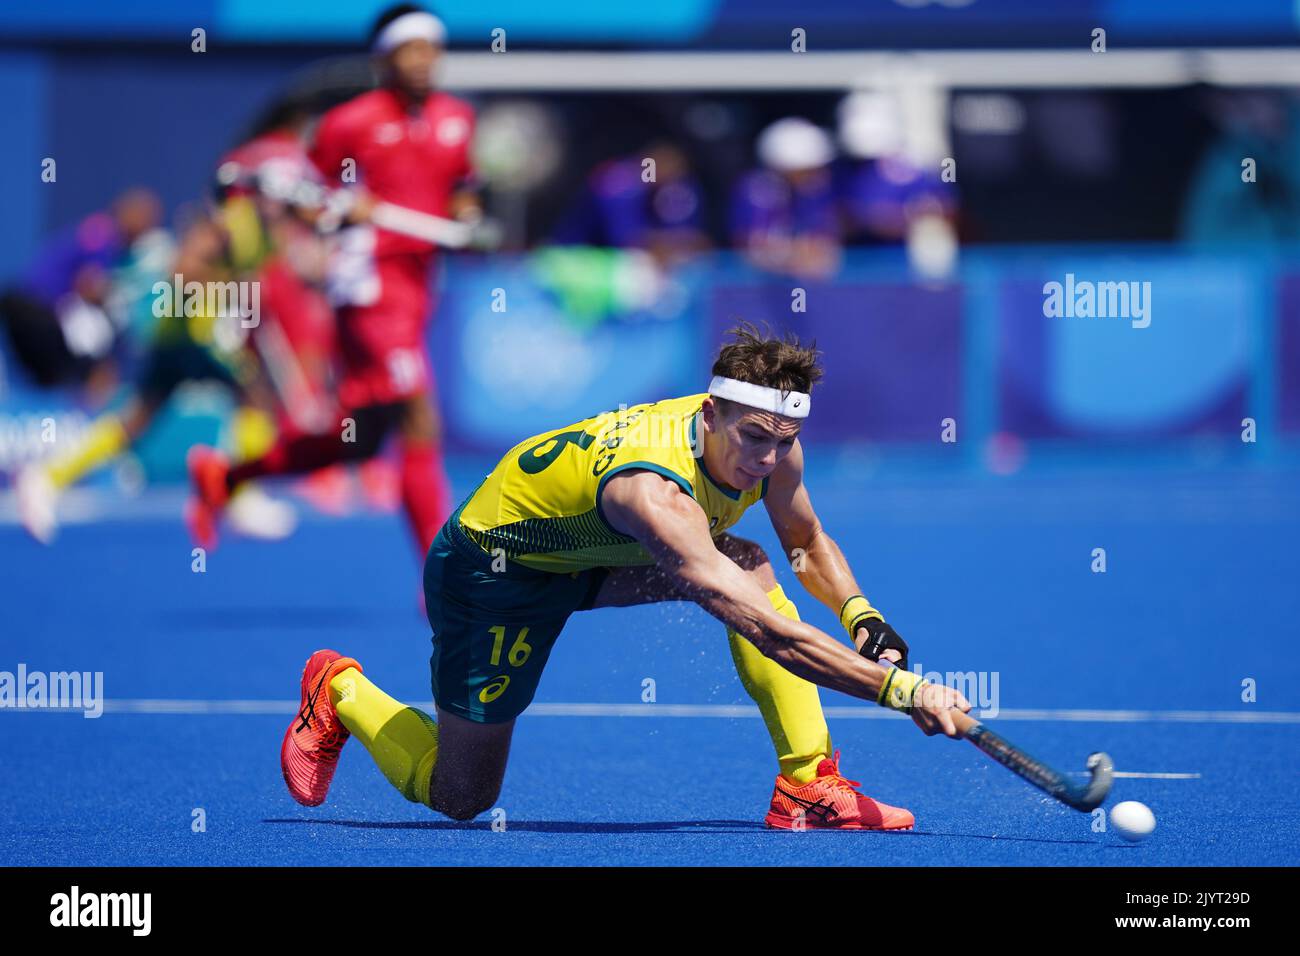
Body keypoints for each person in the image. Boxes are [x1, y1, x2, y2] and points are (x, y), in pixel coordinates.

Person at [281, 325, 971, 829]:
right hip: (492, 571)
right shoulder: (653, 494)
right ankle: (338, 689)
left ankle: (806, 785)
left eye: (783, 441)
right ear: (710, 415)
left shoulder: (770, 438)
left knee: (749, 561)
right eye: (754, 438)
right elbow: (771, 632)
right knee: (462, 796)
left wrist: (863, 619)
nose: (768, 458)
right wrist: (900, 690)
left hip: (593, 554)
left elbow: (804, 540)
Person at [187, 3, 475, 554]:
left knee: (359, 442)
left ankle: (224, 478)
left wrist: (464, 212)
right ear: (385, 58)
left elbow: (463, 186)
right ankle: (442, 574)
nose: (423, 61)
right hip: (367, 285)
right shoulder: (350, 123)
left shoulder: (457, 118)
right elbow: (311, 202)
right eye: (410, 50)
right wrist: (344, 209)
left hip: (417, 286)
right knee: (419, 416)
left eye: (431, 50)